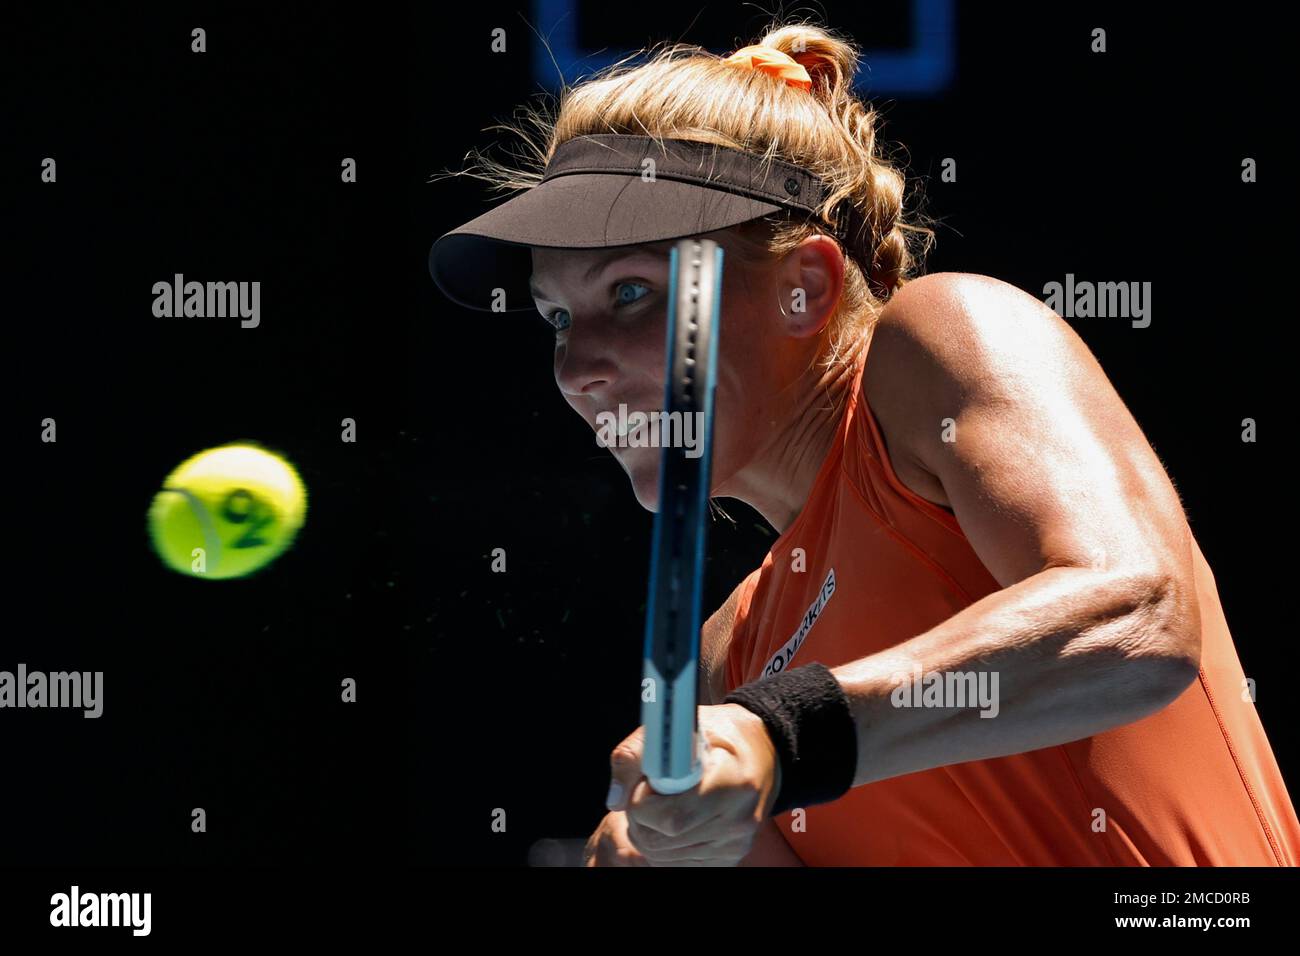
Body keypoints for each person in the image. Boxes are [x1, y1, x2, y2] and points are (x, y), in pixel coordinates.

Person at [428, 22, 1300, 866]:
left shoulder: (946, 334)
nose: (578, 365)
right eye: (554, 317)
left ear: (806, 285)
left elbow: (1139, 618)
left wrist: (782, 734)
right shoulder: (723, 659)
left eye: (630, 293)